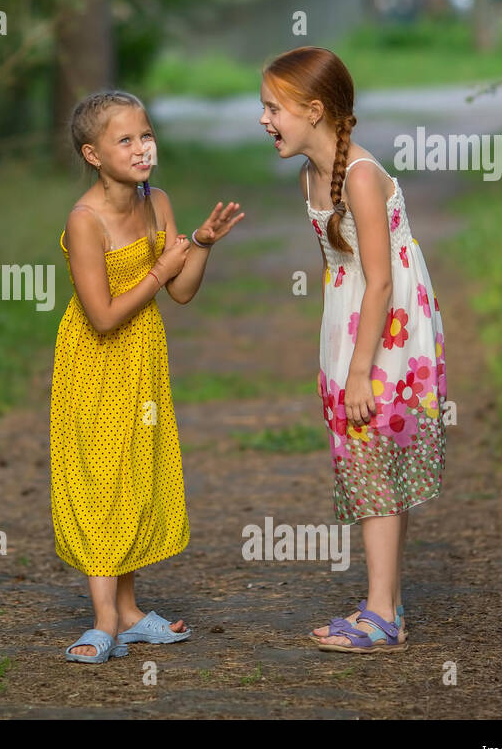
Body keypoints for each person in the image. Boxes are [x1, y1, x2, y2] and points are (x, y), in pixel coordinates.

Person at [259, 46, 447, 653]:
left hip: (388, 332)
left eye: (273, 108)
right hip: (351, 326)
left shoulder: (361, 177)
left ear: (314, 111)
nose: (265, 120)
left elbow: (382, 279)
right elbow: (334, 271)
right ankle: (386, 602)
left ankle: (380, 613)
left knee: (371, 464)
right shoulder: (311, 175)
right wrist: (335, 354)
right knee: (370, 463)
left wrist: (361, 369)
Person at [51, 90, 244, 662]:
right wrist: (161, 268)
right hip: (94, 362)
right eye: (126, 139)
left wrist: (200, 245)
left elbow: (182, 292)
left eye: (146, 134)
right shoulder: (84, 220)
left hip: (144, 361)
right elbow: (104, 315)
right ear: (92, 154)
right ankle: (104, 622)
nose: (143, 148)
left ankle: (131, 612)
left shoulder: (157, 201)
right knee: (99, 478)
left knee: (134, 474)